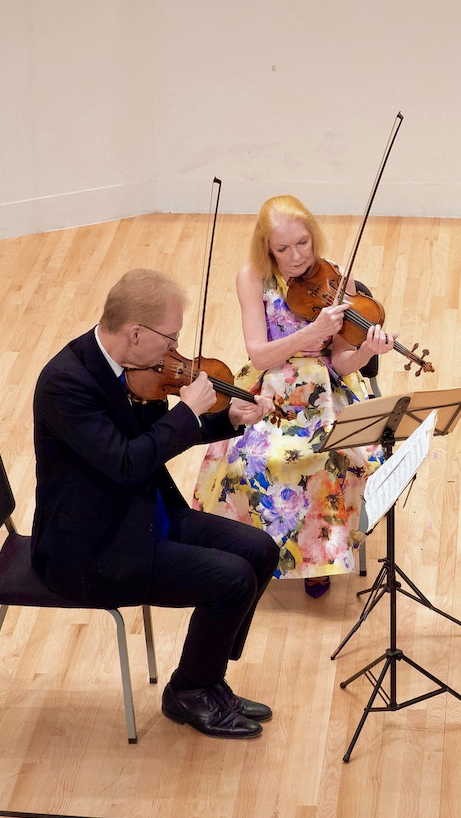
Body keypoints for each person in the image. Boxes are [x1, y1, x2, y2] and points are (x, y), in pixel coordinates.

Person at [32, 268, 282, 739]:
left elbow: (155, 442)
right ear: (135, 334)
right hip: (93, 550)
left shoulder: (138, 369)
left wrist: (225, 418)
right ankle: (190, 691)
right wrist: (187, 412)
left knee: (260, 551)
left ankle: (204, 680)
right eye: (170, 339)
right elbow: (128, 462)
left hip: (144, 512)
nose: (175, 353)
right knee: (231, 581)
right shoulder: (65, 384)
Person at [194, 195, 394, 598]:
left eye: (302, 243)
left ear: (313, 237)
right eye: (282, 248)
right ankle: (256, 548)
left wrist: (368, 351)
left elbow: (340, 361)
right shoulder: (252, 276)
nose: (296, 256)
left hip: (324, 384)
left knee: (329, 455)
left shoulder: (337, 278)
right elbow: (259, 352)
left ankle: (315, 555)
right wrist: (307, 333)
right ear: (267, 247)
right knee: (248, 457)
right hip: (270, 380)